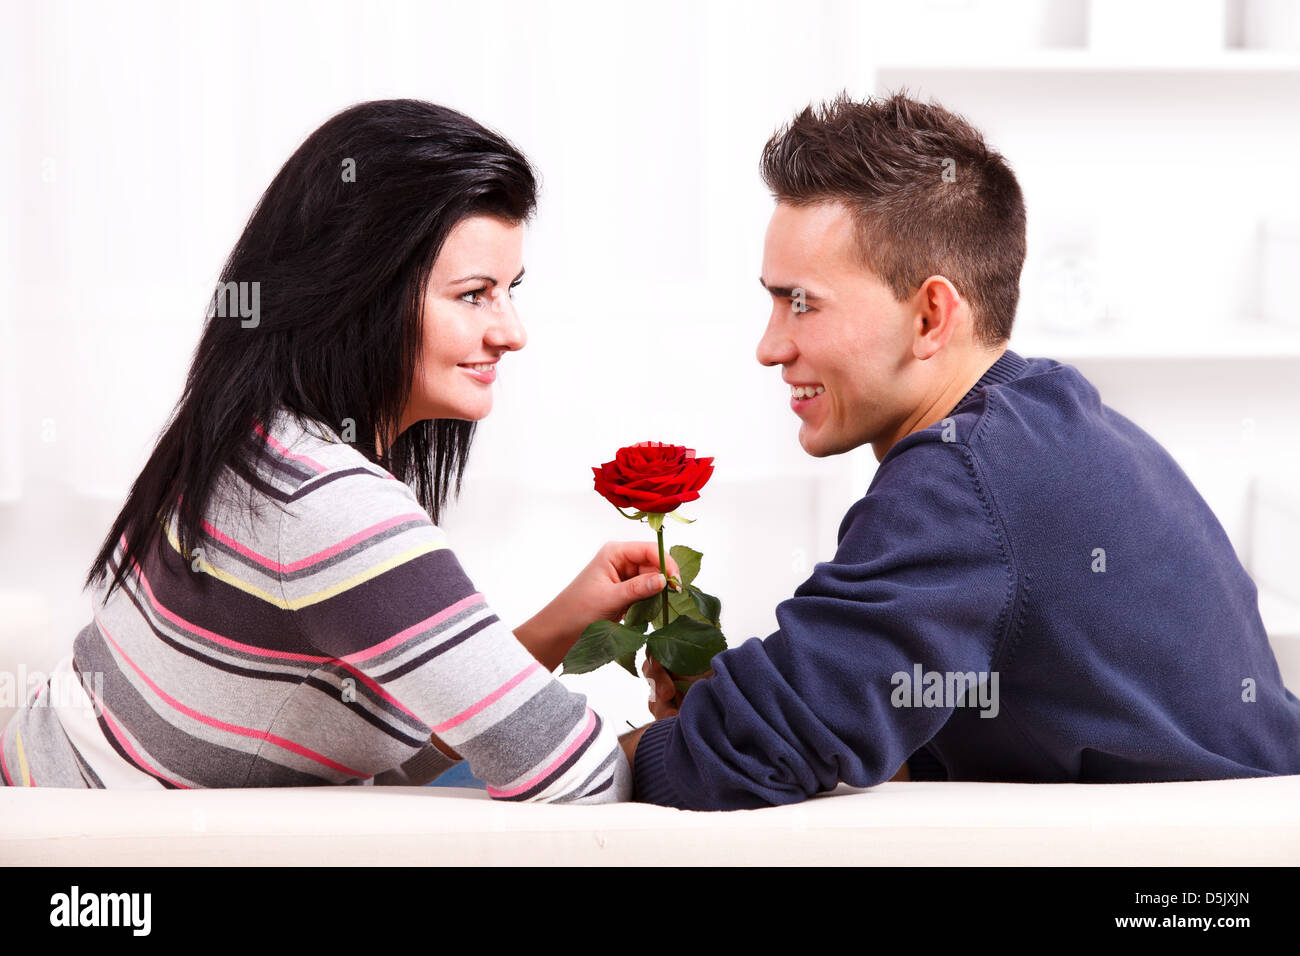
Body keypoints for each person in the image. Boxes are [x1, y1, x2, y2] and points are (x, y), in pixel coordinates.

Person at [621, 91, 1300, 810]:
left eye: (801, 303)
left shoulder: (962, 478)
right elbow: (946, 713)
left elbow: (741, 759)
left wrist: (618, 759)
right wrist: (741, 702)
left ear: (930, 315)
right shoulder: (1045, 423)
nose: (770, 346)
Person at [0, 99, 678, 799]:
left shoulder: (251, 439)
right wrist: (714, 730)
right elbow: (581, 781)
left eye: (510, 290)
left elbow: (366, 741)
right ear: (358, 291)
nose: (511, 332)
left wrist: (565, 621)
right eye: (474, 295)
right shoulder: (326, 504)